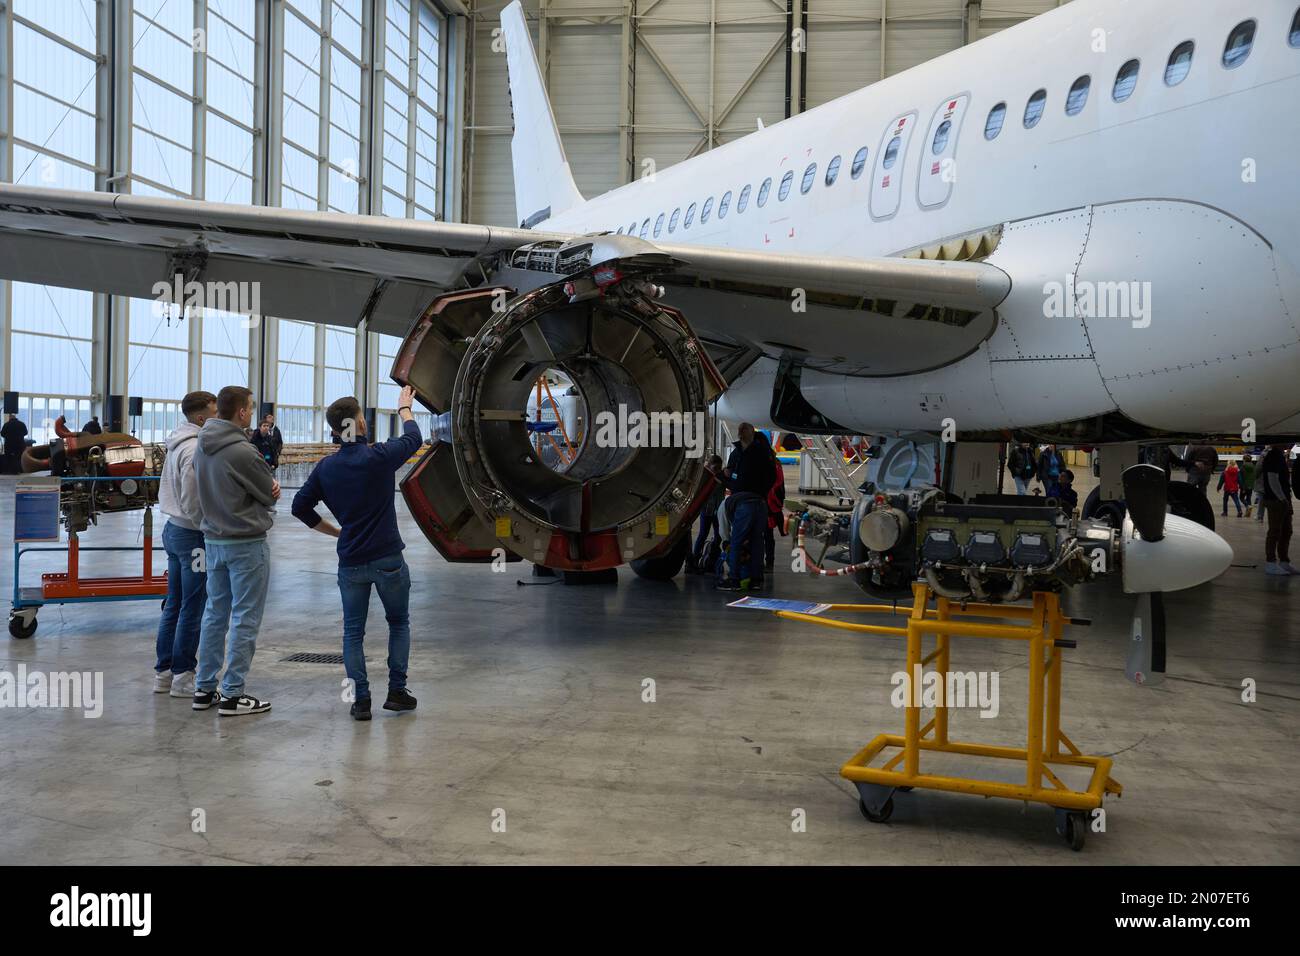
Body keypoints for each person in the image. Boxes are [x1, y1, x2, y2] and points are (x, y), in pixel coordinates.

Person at [292, 388, 421, 721]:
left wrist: (336, 531)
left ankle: (360, 701)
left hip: (351, 561)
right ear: (361, 422)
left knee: (353, 632)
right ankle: (396, 691)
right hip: (388, 558)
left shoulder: (326, 468)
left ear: (336, 431)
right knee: (398, 623)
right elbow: (414, 436)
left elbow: (299, 507)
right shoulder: (379, 457)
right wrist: (405, 409)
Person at [192, 385, 280, 716]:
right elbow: (269, 493)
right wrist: (269, 489)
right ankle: (232, 694)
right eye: (251, 408)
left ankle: (204, 688)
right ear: (242, 412)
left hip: (213, 542)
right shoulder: (244, 452)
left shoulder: (202, 446)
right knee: (245, 617)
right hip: (246, 544)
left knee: (215, 614)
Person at [153, 391, 217, 698]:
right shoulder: (194, 449)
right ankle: (183, 675)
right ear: (202, 417)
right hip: (192, 536)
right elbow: (193, 497)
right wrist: (206, 523)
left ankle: (164, 672)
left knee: (174, 604)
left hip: (173, 530)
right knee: (193, 606)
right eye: (215, 412)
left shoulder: (176, 442)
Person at [711, 423, 775, 591]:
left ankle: (734, 579)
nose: (739, 432)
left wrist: (728, 480)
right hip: (759, 502)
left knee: (737, 540)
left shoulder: (744, 454)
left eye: (743, 430)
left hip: (745, 502)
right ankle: (756, 579)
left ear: (750, 433)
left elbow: (737, 479)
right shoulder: (762, 453)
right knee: (757, 541)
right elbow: (771, 476)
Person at [1259, 443, 1296, 576]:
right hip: (1276, 500)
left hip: (1283, 498)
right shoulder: (1273, 456)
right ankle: (1271, 562)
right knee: (1275, 531)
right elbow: (1272, 478)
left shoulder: (1279, 455)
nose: (1292, 443)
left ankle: (1284, 561)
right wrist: (1282, 498)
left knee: (1287, 530)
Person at [689, 454, 726, 574]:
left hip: (718, 509)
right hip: (707, 509)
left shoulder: (722, 476)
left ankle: (711, 557)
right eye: (715, 469)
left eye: (719, 469)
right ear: (709, 467)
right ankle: (695, 560)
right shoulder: (705, 477)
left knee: (719, 535)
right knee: (703, 534)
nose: (717, 471)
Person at [1240, 453, 1257, 518]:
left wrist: (1242, 487)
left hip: (1245, 485)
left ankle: (1247, 506)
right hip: (1251, 485)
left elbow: (1242, 478)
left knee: (1241, 498)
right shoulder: (1253, 466)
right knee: (1248, 498)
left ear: (1244, 459)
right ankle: (1248, 513)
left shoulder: (1243, 467)